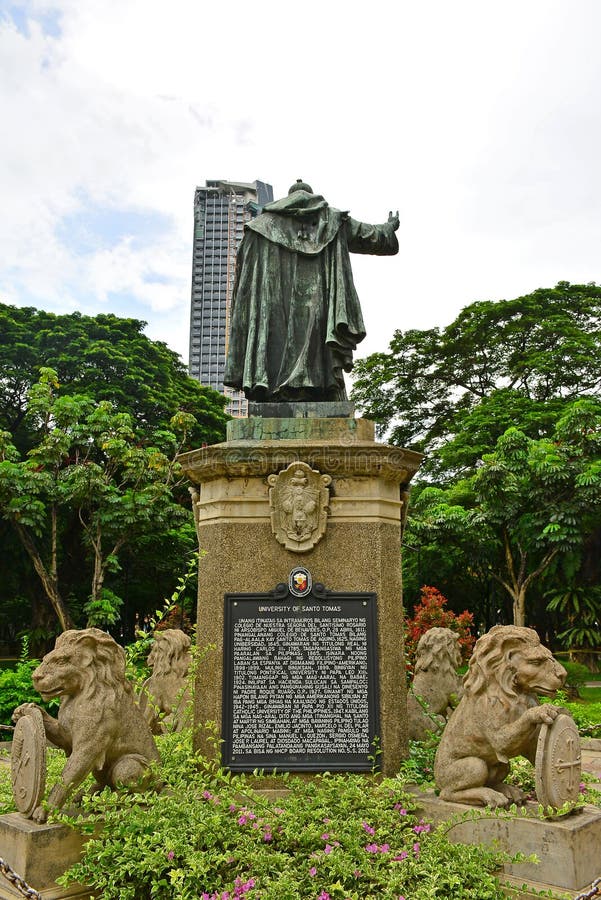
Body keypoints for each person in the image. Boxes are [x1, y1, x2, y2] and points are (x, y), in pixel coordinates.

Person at [223, 179, 399, 403]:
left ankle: (276, 390)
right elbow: (367, 235)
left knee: (275, 335)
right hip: (319, 299)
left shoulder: (261, 226)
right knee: (318, 336)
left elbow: (244, 276)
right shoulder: (332, 219)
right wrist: (388, 227)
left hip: (274, 302)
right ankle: (318, 388)